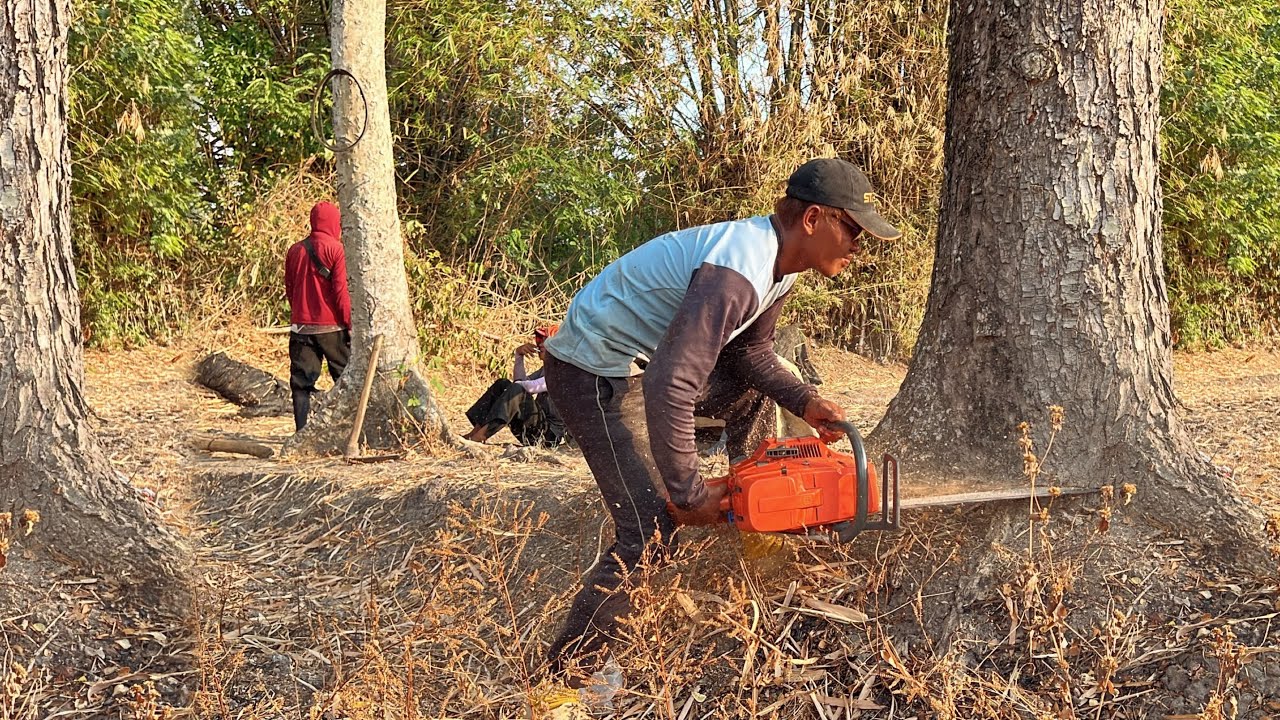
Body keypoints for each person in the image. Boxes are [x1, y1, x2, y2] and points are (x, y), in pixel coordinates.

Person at [539, 158, 902, 686]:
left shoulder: (777, 268)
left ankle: (761, 536)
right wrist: (686, 492)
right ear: (814, 219)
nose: (858, 246)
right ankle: (561, 685)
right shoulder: (737, 270)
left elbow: (749, 356)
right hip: (590, 374)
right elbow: (671, 383)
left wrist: (804, 401)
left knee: (750, 396)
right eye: (853, 229)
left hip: (635, 371)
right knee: (649, 530)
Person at [284, 201, 352, 431]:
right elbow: (341, 292)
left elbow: (290, 289)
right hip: (332, 327)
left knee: (301, 384)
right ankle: (348, 429)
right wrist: (349, 323)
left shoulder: (295, 250)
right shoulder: (336, 249)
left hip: (301, 327)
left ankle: (301, 431)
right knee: (345, 380)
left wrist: (300, 314)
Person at [463, 326, 568, 447]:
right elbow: (519, 383)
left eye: (544, 340)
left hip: (548, 436)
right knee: (502, 384)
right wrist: (518, 355)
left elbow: (529, 388)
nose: (539, 344)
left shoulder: (563, 370)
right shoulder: (545, 369)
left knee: (515, 389)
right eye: (539, 340)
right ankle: (476, 432)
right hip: (534, 428)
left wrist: (513, 390)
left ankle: (482, 435)